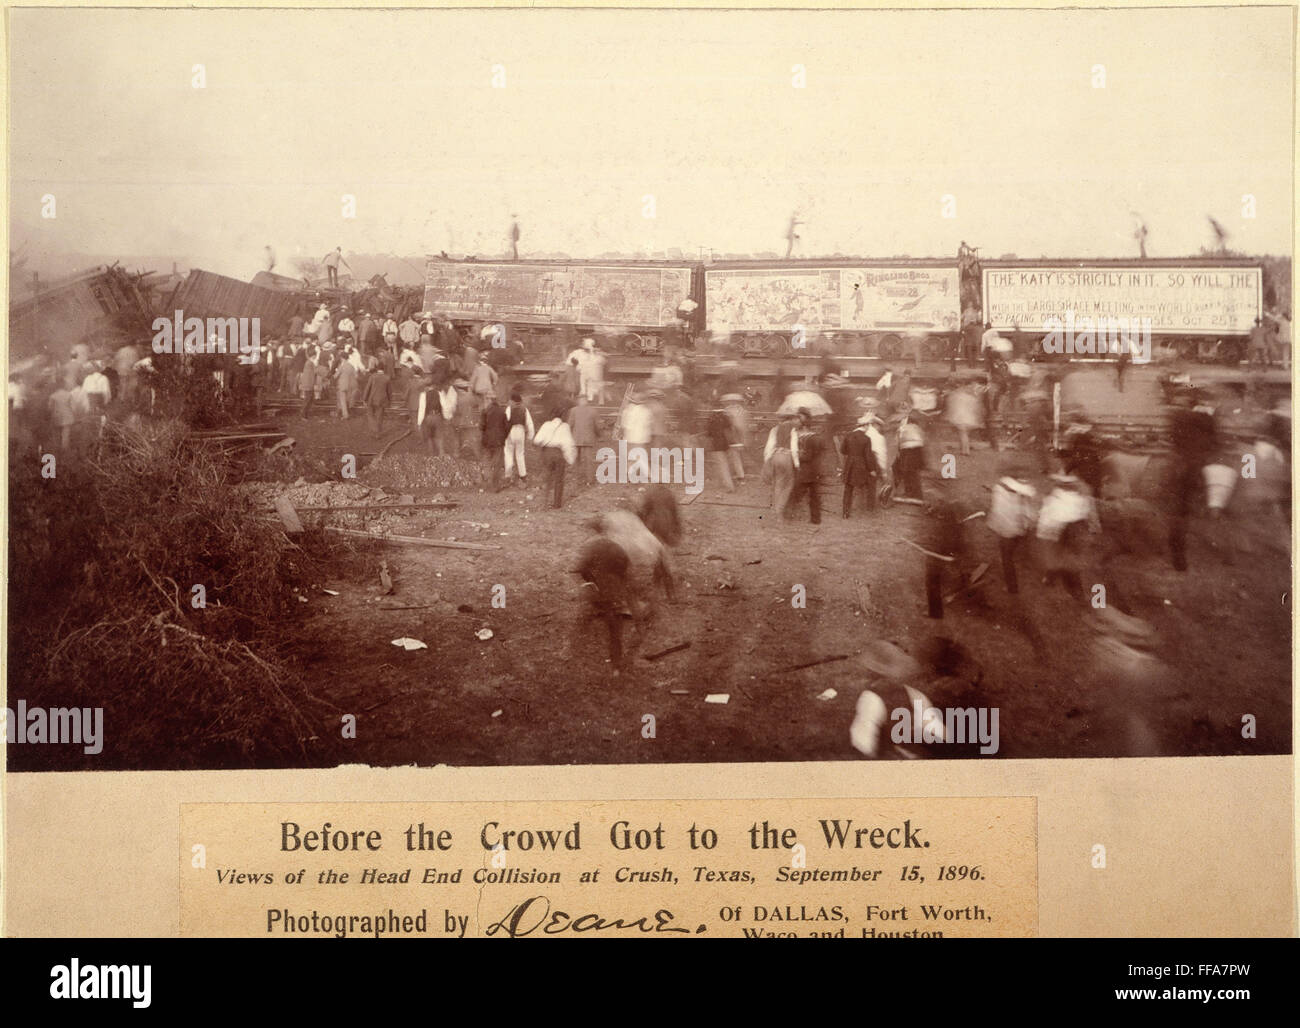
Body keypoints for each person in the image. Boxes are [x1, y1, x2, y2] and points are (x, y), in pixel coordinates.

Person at [988, 472, 1038, 594]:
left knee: (1007, 559)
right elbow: (1031, 513)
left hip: (1008, 532)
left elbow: (998, 513)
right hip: (1021, 530)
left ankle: (1012, 588)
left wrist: (995, 526)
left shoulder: (1000, 493)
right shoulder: (1023, 494)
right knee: (1016, 551)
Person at [535, 406, 577, 508]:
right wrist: (570, 459)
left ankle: (543, 501)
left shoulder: (546, 425)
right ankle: (557, 504)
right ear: (562, 416)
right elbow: (568, 444)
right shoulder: (565, 426)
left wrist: (545, 443)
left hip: (547, 453)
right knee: (559, 479)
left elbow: (537, 440)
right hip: (559, 454)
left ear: (551, 415)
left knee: (547, 477)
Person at [788, 410, 825, 524]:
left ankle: (789, 515)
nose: (798, 431)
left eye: (800, 429)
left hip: (806, 471)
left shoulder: (810, 439)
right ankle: (815, 519)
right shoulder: (816, 438)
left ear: (804, 428)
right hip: (815, 470)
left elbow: (807, 456)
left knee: (796, 493)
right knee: (814, 495)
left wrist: (798, 454)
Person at [840, 414, 879, 517]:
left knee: (848, 488)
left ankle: (845, 513)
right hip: (860, 466)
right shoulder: (866, 439)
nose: (868, 428)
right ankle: (869, 508)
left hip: (849, 465)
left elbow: (843, 450)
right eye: (868, 426)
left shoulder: (848, 436)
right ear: (865, 425)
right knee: (869, 482)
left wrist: (852, 453)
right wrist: (872, 469)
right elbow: (868, 456)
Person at [763, 412, 800, 516]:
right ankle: (780, 510)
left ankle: (774, 509)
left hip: (776, 456)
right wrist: (797, 464)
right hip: (786, 457)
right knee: (788, 484)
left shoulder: (775, 429)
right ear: (790, 419)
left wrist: (767, 460)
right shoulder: (793, 430)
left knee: (778, 483)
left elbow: (769, 446)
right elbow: (794, 448)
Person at [568, 394, 600, 485]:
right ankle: (589, 480)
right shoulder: (593, 411)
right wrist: (599, 435)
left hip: (576, 438)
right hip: (588, 439)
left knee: (576, 458)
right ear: (586, 401)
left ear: (579, 401)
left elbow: (570, 424)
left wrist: (569, 436)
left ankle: (577, 478)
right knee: (588, 459)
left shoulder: (573, 410)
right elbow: (597, 426)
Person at [503, 391, 535, 486]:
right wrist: (530, 436)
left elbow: (505, 421)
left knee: (508, 453)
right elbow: (530, 423)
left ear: (512, 400)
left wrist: (504, 434)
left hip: (511, 431)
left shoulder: (509, 408)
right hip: (521, 431)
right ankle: (523, 475)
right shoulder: (524, 409)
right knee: (520, 454)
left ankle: (508, 476)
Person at [895, 406, 926, 500]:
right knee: (915, 473)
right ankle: (918, 493)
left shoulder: (902, 428)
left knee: (907, 472)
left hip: (907, 452)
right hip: (917, 452)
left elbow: (898, 442)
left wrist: (898, 452)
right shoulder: (918, 428)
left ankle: (909, 492)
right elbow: (923, 440)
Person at [481, 396, 510, 491]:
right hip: (498, 441)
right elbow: (507, 427)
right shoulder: (502, 412)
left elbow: (481, 426)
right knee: (497, 463)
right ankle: (495, 486)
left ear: (490, 402)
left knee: (487, 462)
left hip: (487, 441)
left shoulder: (485, 411)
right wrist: (503, 437)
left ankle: (488, 483)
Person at [705, 406, 735, 493]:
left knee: (722, 466)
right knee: (724, 465)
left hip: (716, 445)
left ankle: (730, 486)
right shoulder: (726, 418)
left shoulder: (711, 419)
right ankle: (721, 483)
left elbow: (708, 433)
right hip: (726, 444)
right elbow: (730, 429)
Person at [334, 350, 358, 419]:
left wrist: (335, 371)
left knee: (342, 401)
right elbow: (356, 376)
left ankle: (345, 415)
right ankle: (339, 412)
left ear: (342, 358)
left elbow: (335, 376)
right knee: (346, 400)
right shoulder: (351, 366)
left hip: (342, 385)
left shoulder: (342, 366)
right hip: (351, 385)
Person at [298, 348, 318, 419]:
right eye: (315, 355)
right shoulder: (310, 363)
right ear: (314, 355)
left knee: (310, 399)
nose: (316, 356)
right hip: (308, 384)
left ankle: (306, 414)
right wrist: (313, 384)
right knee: (307, 400)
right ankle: (303, 415)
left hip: (308, 384)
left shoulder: (309, 362)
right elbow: (311, 374)